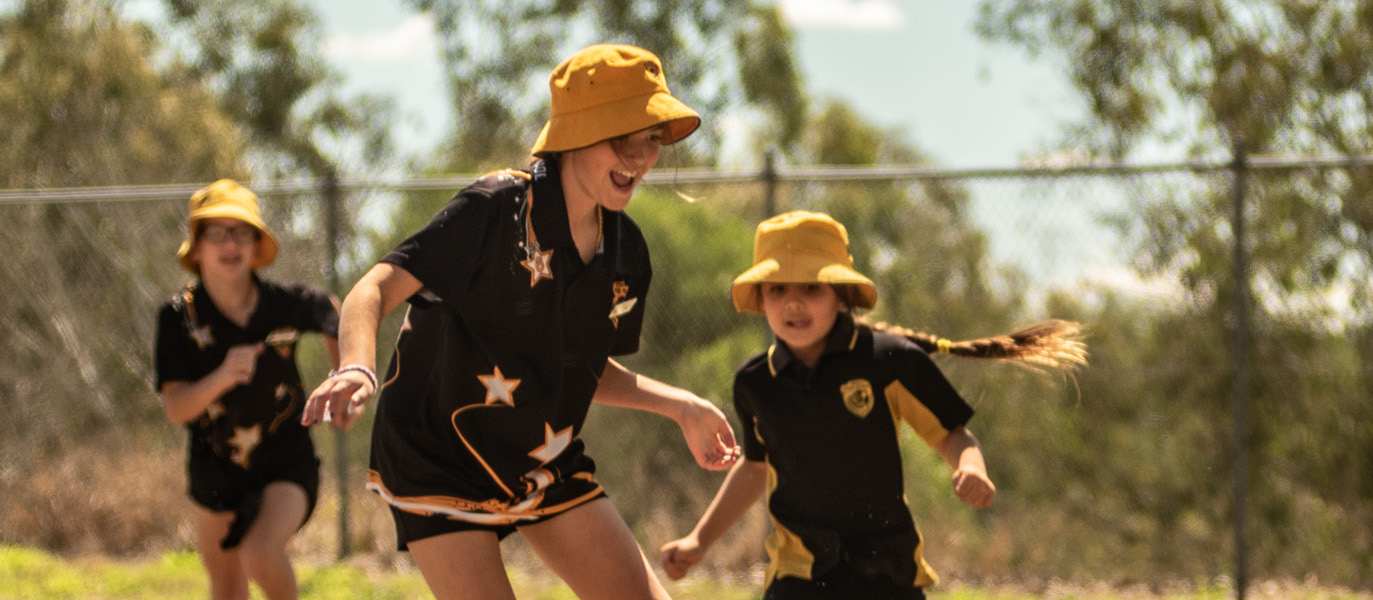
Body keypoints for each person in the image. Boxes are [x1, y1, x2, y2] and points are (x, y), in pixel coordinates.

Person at [300, 44, 741, 600]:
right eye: (622, 137)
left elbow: (581, 367)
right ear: (574, 135)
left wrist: (680, 405)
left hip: (540, 455)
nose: (641, 156)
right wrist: (357, 368)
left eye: (652, 138)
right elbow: (375, 287)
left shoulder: (626, 252)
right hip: (439, 456)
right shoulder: (496, 208)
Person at [657, 211, 1086, 600]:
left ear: (841, 295)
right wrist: (699, 541)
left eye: (811, 287)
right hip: (800, 573)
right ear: (760, 298)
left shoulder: (888, 361)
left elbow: (952, 434)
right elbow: (754, 467)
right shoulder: (756, 382)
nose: (793, 302)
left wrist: (970, 466)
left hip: (888, 570)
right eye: (777, 289)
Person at [155, 179, 338, 600]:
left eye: (241, 231)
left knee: (259, 553)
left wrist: (343, 376)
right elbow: (177, 409)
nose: (230, 243)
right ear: (197, 247)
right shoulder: (177, 318)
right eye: (216, 232)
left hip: (286, 461)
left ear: (257, 245)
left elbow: (334, 314)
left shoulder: (285, 304)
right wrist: (222, 375)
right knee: (227, 586)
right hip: (215, 468)